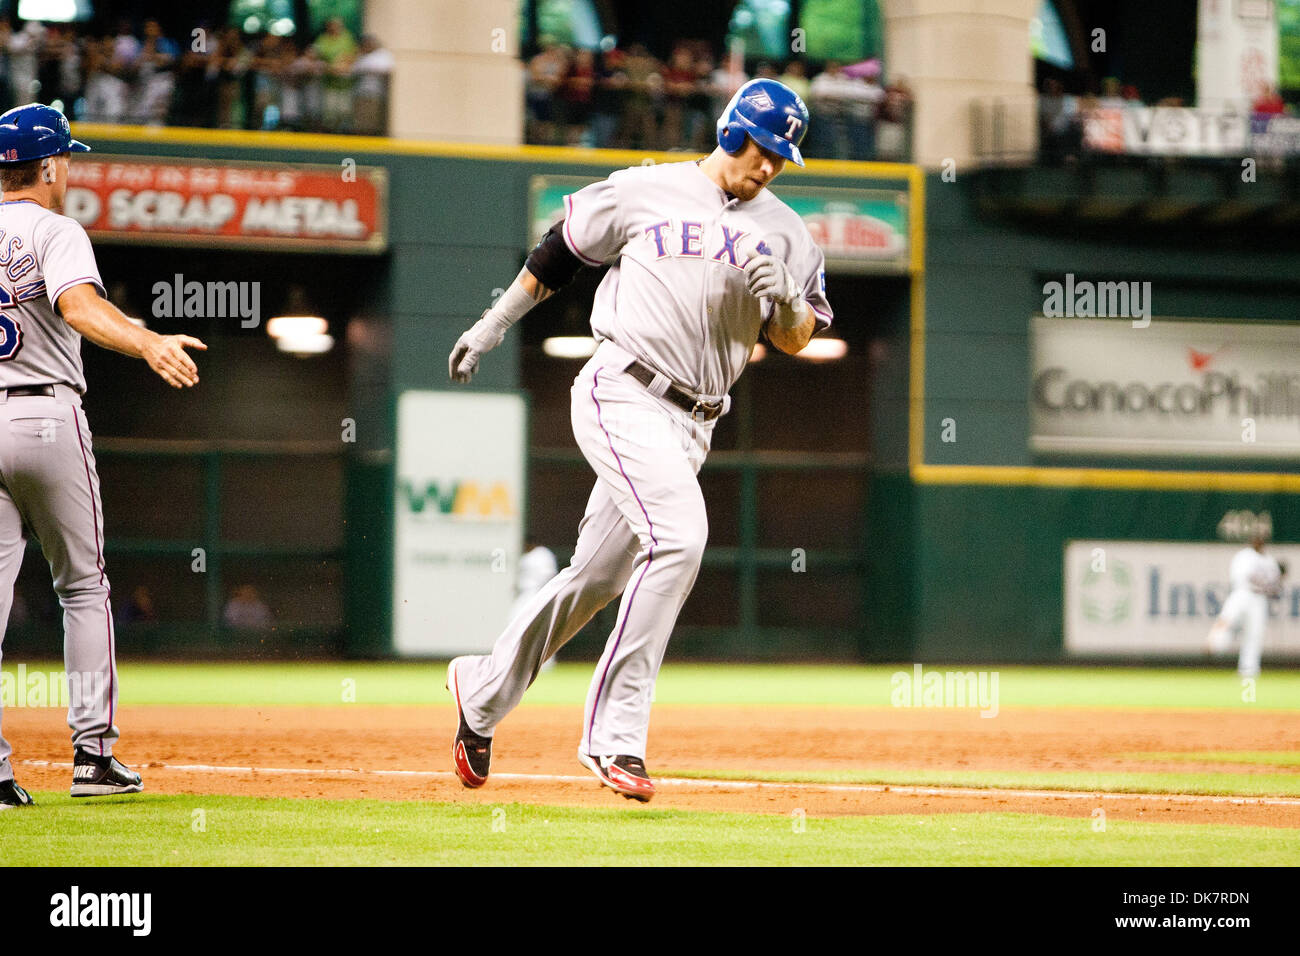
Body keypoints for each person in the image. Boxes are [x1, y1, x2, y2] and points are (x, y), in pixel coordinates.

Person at [445, 78, 832, 802]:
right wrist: (492, 325)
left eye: (784, 157)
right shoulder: (645, 189)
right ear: (730, 132)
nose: (772, 166)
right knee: (681, 537)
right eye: (765, 149)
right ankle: (616, 737)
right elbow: (559, 253)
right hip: (621, 388)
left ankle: (482, 688)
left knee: (593, 581)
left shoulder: (788, 232)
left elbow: (796, 338)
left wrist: (784, 297)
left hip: (695, 423)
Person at [0, 104, 207, 809]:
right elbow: (80, 307)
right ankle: (92, 756)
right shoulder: (57, 228)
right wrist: (148, 344)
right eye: (68, 160)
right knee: (83, 588)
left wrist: (138, 330)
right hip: (46, 415)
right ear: (50, 165)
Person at [1207, 534, 1284, 679]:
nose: (1258, 541)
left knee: (1254, 633)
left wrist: (1277, 581)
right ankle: (1214, 643)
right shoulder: (1244, 556)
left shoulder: (1270, 561)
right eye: (1256, 539)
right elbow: (1246, 577)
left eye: (1261, 539)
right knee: (1227, 620)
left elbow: (1275, 587)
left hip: (1259, 599)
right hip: (1241, 593)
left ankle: (1248, 669)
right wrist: (1268, 583)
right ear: (1252, 541)